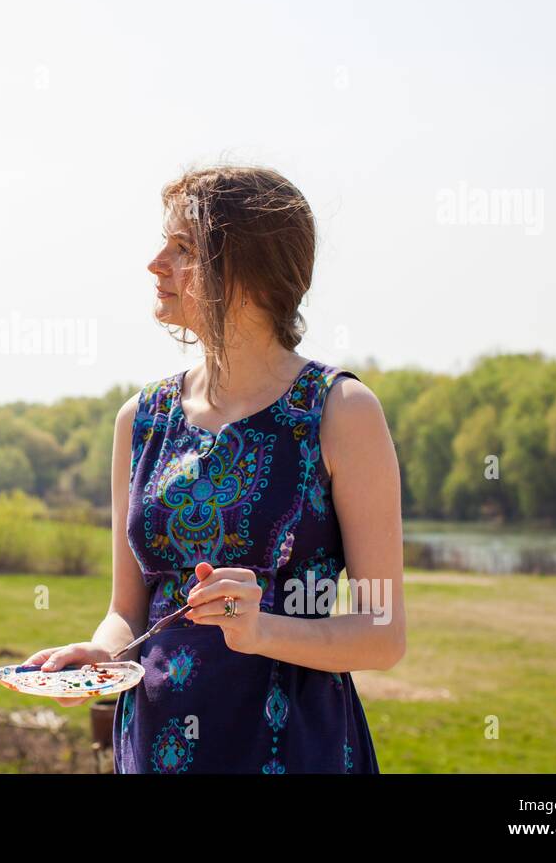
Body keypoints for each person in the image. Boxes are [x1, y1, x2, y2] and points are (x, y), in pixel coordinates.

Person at [22, 163, 406, 773]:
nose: (156, 264)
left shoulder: (338, 411)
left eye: (183, 248)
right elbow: (129, 610)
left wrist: (263, 631)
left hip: (292, 748)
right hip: (154, 747)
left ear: (247, 272)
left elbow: (382, 635)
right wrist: (101, 653)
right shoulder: (140, 419)